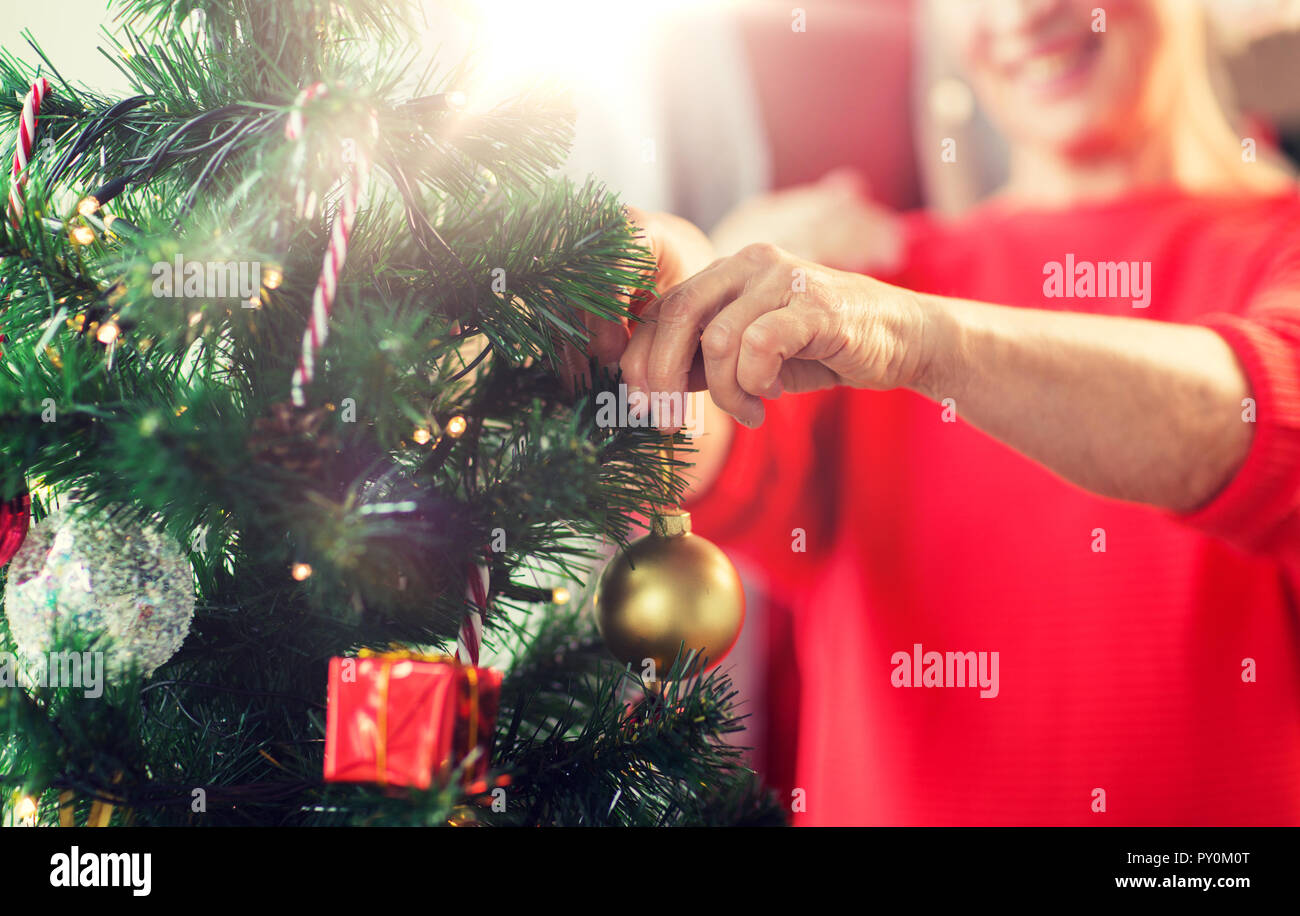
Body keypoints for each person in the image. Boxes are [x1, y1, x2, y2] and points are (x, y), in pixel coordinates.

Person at [579, 0, 1300, 825]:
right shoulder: (877, 277)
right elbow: (712, 454)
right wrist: (666, 302)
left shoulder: (882, 313)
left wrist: (925, 341)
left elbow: (1261, 419)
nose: (1026, 14)